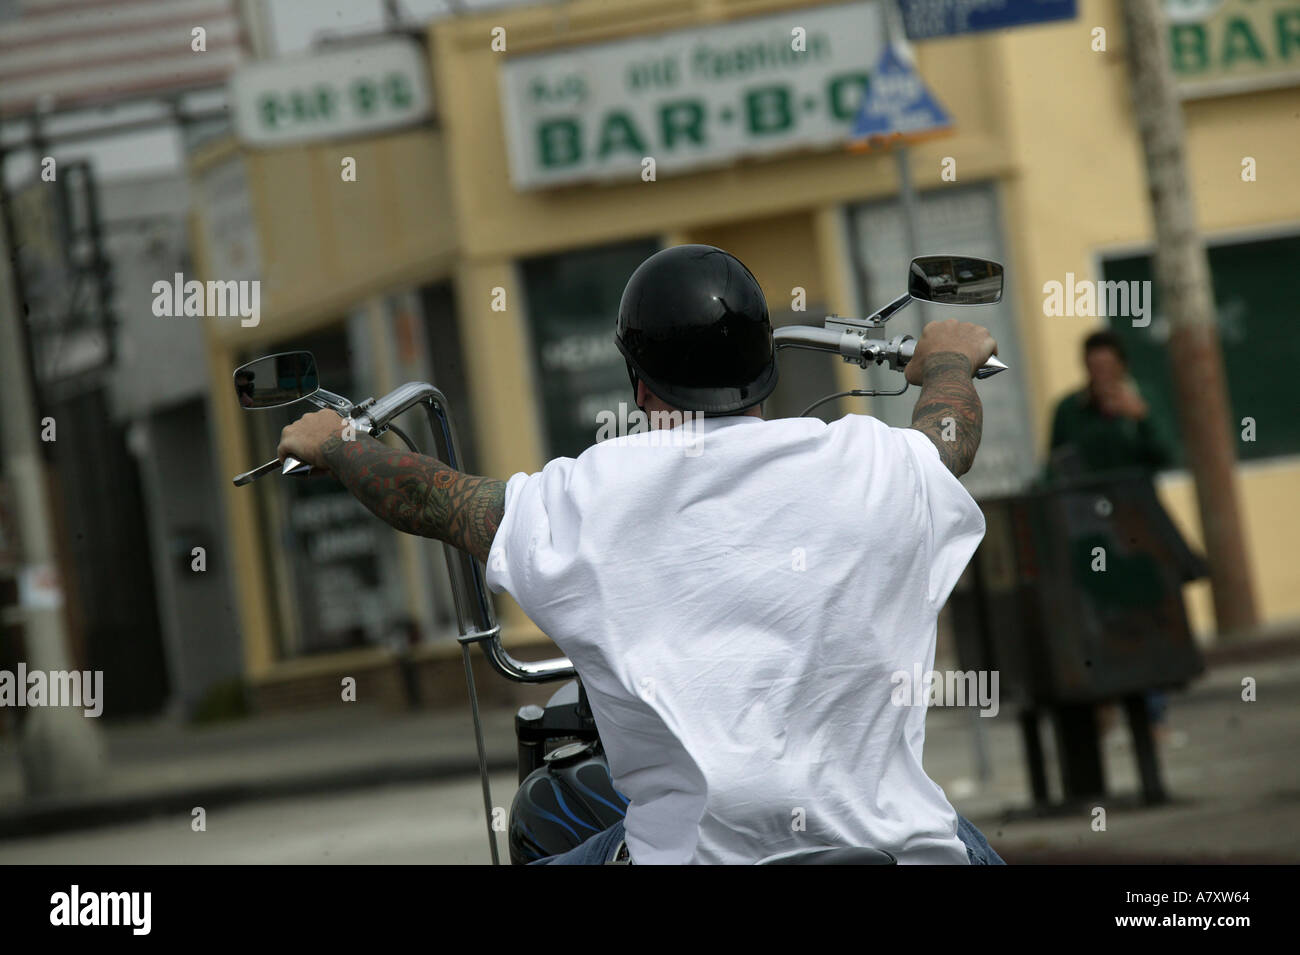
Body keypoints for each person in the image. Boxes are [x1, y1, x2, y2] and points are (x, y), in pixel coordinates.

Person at [276, 244, 1005, 865]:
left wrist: (337, 445)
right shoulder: (879, 461)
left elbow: (434, 498)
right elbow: (950, 437)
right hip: (901, 847)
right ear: (766, 367)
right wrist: (946, 360)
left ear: (638, 380)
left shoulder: (590, 494)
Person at [1045, 330, 1177, 743]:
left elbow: (1165, 454)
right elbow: (1053, 466)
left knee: (1148, 616)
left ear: (1121, 366)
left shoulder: (1142, 399)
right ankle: (1105, 709)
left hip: (1137, 525)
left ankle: (1154, 717)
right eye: (1092, 366)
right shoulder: (1070, 408)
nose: (1100, 374)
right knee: (1097, 617)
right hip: (1089, 530)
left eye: (1107, 366)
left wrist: (1137, 417)